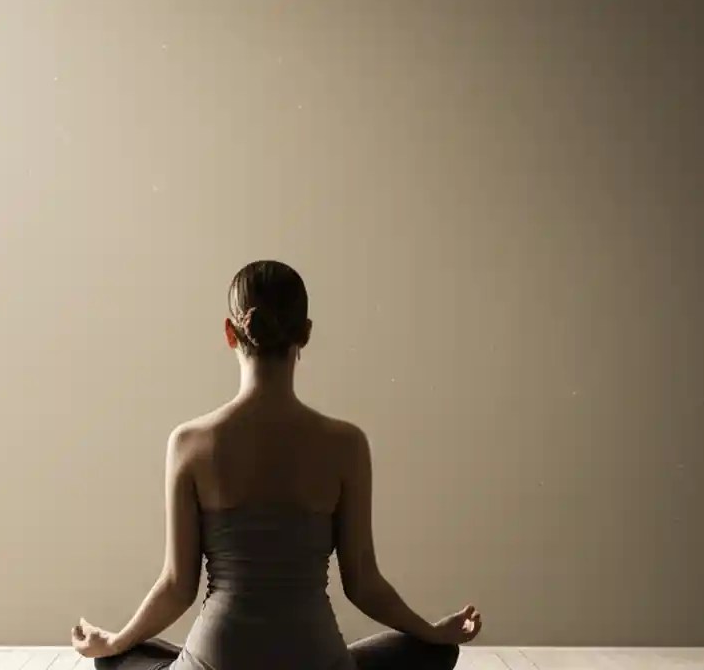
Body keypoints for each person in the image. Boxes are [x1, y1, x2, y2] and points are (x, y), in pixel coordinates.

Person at [70, 260, 482, 669]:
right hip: (316, 661)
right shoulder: (346, 444)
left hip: (219, 660)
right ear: (305, 333)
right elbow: (364, 586)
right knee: (433, 652)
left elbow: (178, 588)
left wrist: (115, 641)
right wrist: (433, 631)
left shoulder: (188, 443)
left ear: (230, 333)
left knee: (125, 658)